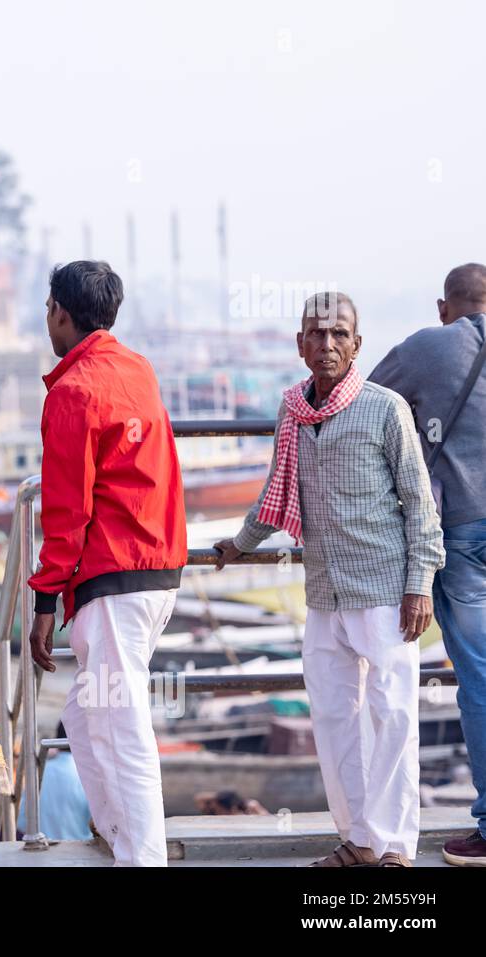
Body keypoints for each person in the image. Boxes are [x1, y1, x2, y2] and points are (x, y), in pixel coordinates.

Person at [215, 291, 444, 868]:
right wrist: (237, 546)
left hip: (386, 589)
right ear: (300, 345)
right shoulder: (293, 412)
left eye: (339, 334)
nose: (328, 344)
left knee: (392, 716)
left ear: (357, 344)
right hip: (323, 591)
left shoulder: (386, 408)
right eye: (316, 334)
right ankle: (360, 839)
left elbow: (420, 505)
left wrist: (419, 584)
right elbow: (275, 497)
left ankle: (395, 847)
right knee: (335, 719)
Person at [26, 261, 188, 867]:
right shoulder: (136, 368)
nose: (47, 321)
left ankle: (142, 858)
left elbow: (66, 512)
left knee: (120, 729)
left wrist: (44, 602)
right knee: (87, 718)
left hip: (115, 577)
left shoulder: (74, 391)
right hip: (152, 571)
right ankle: (122, 840)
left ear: (62, 314)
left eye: (48, 310)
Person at [369, 263, 486, 867]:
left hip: (464, 531)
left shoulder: (427, 347)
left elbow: (362, 405)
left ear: (445, 307)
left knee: (481, 679)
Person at [17, 724, 92, 842]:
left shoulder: (40, 772)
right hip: (81, 852)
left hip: (40, 851)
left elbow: (22, 822)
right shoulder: (89, 775)